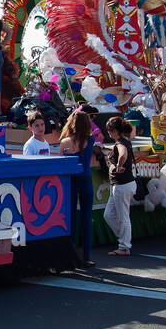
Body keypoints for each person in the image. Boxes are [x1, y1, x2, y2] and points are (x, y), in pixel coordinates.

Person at [58, 108, 96, 268]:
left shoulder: (64, 143)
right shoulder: (90, 140)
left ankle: (71, 257)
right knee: (86, 219)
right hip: (86, 180)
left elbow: (60, 163)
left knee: (70, 218)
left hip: (70, 181)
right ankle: (86, 256)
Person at [93, 116, 136, 257]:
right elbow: (118, 148)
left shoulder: (121, 144)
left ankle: (124, 246)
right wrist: (104, 147)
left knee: (122, 216)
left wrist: (119, 165)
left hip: (122, 185)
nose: (108, 134)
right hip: (121, 185)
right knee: (109, 215)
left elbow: (122, 153)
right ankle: (125, 238)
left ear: (115, 131)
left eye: (110, 131)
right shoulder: (123, 141)